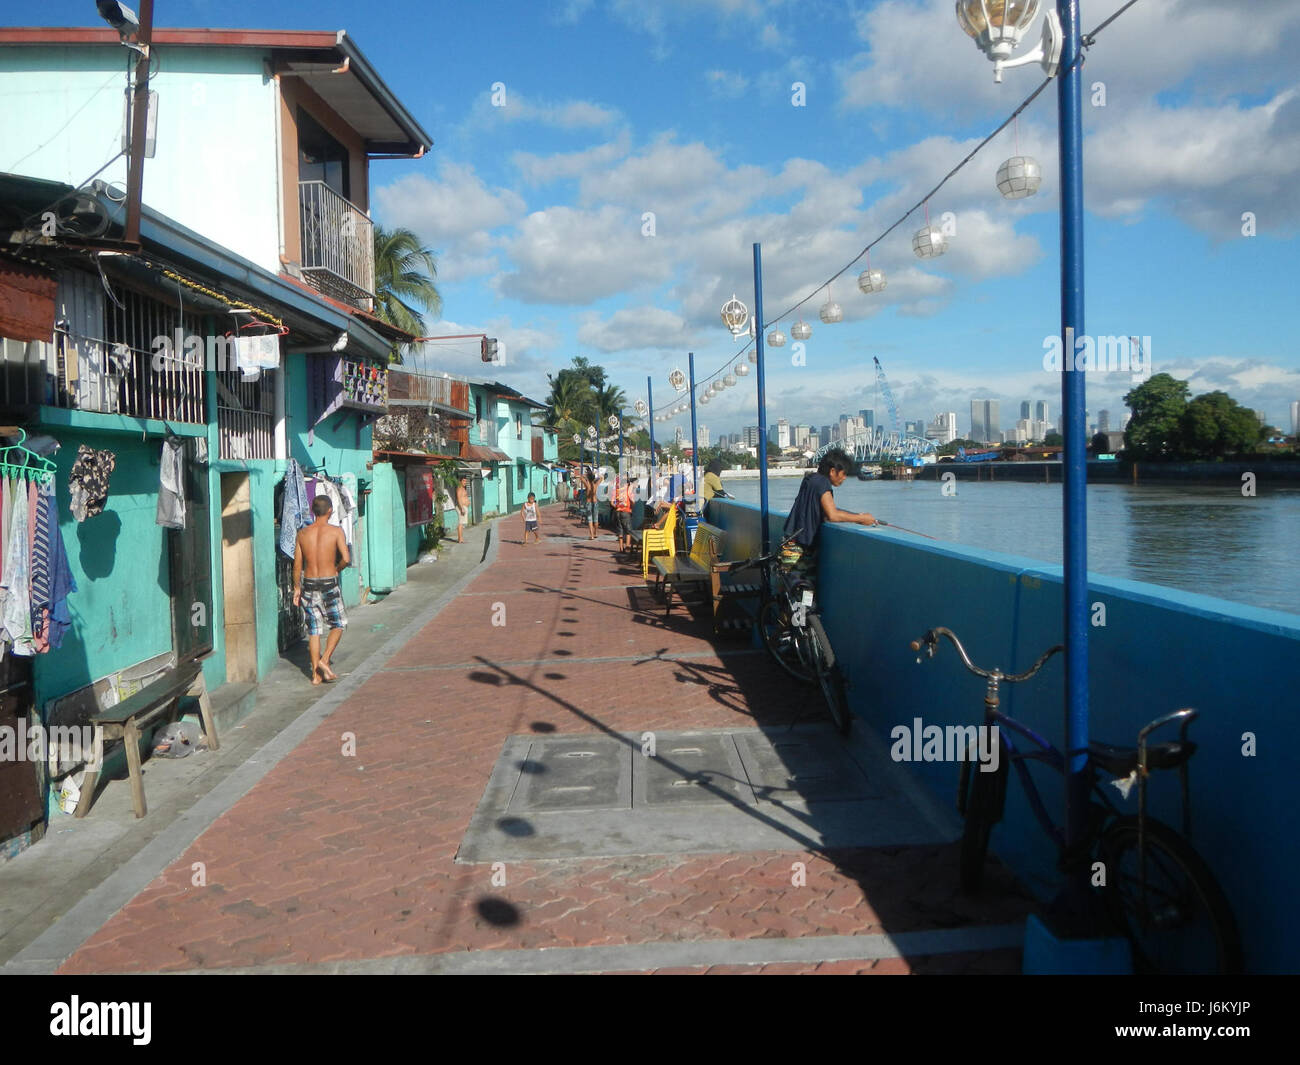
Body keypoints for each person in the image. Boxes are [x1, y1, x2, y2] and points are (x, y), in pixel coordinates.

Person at [782, 448, 877, 573]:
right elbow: (832, 515)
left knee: (788, 586)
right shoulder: (823, 483)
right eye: (843, 474)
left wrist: (856, 516)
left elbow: (823, 512)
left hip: (789, 543)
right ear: (833, 471)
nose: (844, 478)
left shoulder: (810, 479)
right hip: (801, 549)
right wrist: (861, 519)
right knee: (804, 589)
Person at [293, 494, 350, 685]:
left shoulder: (302, 534)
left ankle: (315, 676)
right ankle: (324, 661)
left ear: (313, 511)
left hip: (309, 583)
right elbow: (346, 559)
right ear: (330, 510)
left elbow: (297, 564)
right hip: (329, 582)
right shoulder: (336, 531)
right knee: (339, 623)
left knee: (314, 630)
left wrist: (296, 587)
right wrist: (336, 568)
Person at [613, 475, 635, 551]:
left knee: (620, 531)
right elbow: (632, 501)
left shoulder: (617, 491)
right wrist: (632, 506)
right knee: (628, 531)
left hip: (618, 512)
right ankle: (627, 546)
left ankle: (621, 548)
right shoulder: (628, 490)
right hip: (626, 511)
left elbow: (612, 502)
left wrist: (617, 506)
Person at [455, 476, 470, 543]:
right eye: (463, 481)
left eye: (465, 481)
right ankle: (460, 539)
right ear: (460, 481)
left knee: (462, 523)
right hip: (461, 507)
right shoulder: (460, 488)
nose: (465, 482)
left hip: (464, 507)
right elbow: (458, 499)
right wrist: (462, 508)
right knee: (460, 523)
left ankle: (460, 538)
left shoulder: (463, 488)